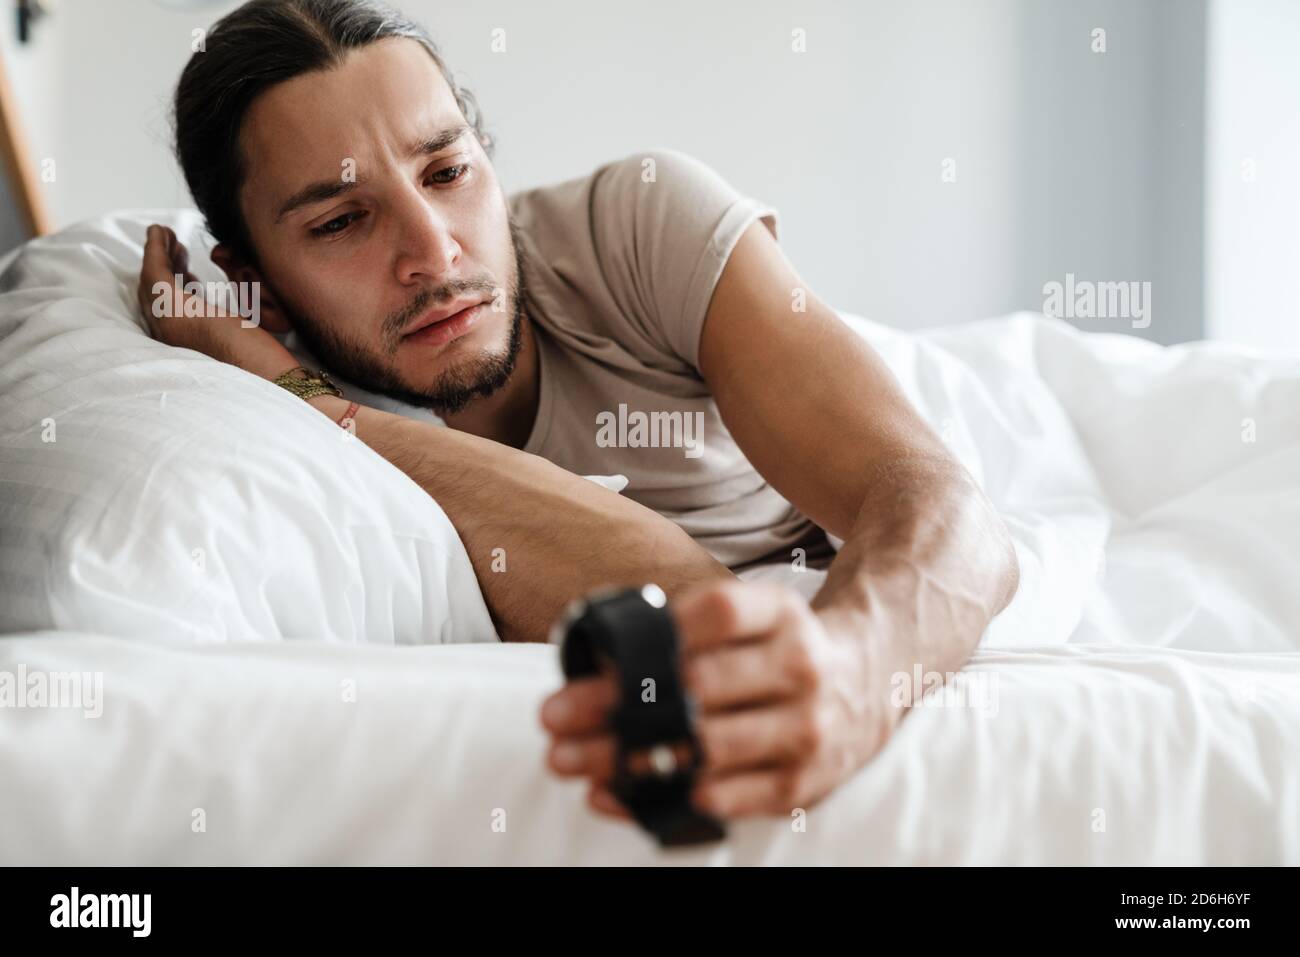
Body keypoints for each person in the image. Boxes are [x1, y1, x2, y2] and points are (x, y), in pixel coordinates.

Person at [138, 0, 1018, 822]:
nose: (433, 250)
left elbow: (941, 504)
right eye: (340, 221)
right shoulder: (289, 419)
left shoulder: (640, 223)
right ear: (258, 287)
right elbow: (674, 597)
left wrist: (855, 672)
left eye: (446, 171)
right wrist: (316, 405)